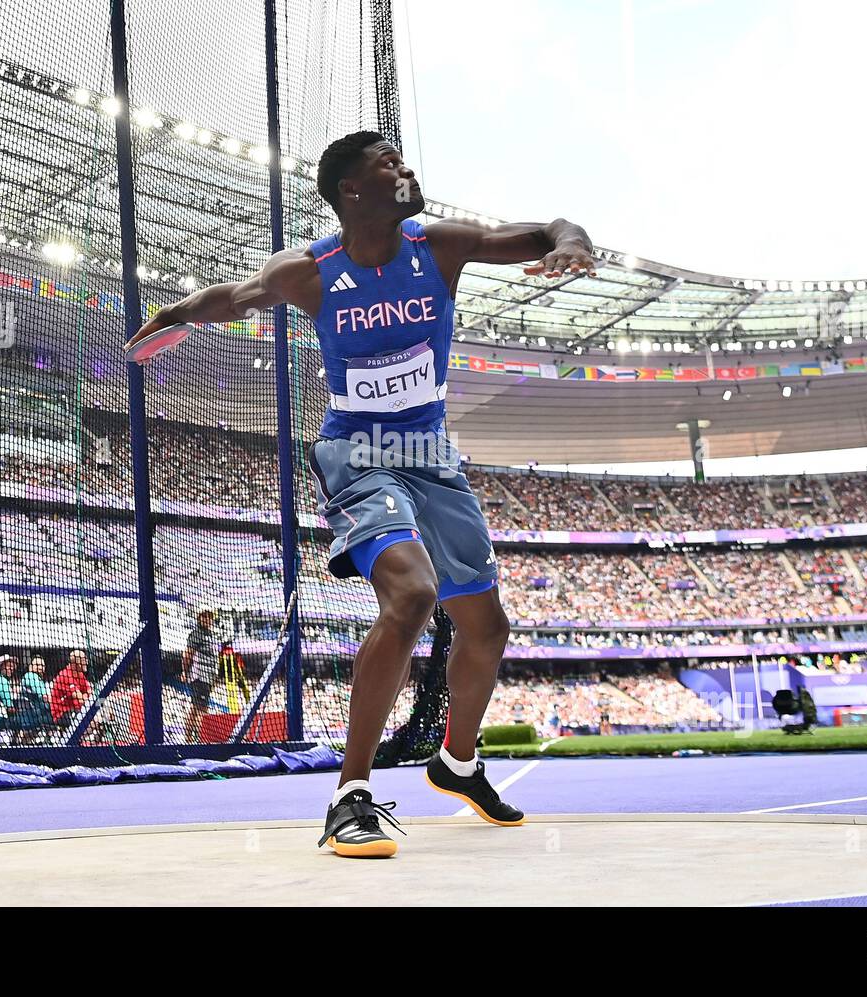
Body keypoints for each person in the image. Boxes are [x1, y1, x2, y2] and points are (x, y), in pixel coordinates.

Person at [126, 130, 597, 858]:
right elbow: (237, 297)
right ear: (351, 190)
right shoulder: (310, 271)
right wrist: (176, 315)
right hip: (358, 452)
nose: (406, 169)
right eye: (388, 163)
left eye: (403, 159)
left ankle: (457, 762)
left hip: (431, 455)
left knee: (487, 627)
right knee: (412, 595)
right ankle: (350, 794)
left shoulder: (440, 246)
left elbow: (542, 231)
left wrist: (572, 242)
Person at [181, 608, 221, 742]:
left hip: (208, 677)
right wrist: (185, 672)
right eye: (204, 617)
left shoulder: (212, 635)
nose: (207, 620)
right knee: (202, 709)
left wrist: (214, 678)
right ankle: (203, 740)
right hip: (200, 676)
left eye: (209, 617)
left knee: (195, 708)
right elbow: (188, 654)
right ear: (199, 618)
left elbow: (215, 658)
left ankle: (188, 740)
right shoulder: (196, 634)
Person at [50, 649, 91, 734]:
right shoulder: (65, 675)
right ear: (76, 662)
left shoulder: (80, 675)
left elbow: (90, 691)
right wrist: (85, 696)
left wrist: (85, 695)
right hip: (62, 714)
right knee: (92, 718)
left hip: (75, 710)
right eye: (84, 660)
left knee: (99, 713)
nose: (86, 662)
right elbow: (81, 699)